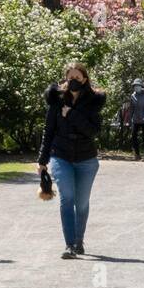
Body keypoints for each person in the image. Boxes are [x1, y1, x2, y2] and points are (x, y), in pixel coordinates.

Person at [38, 63, 104, 259]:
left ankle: (79, 240)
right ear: (65, 79)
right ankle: (70, 245)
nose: (74, 80)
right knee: (67, 199)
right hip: (61, 156)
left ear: (85, 79)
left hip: (87, 159)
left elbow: (93, 131)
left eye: (78, 77)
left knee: (81, 203)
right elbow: (48, 132)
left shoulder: (93, 102)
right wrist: (42, 161)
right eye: (70, 77)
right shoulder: (56, 101)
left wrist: (72, 114)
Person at [129, 77, 144, 162]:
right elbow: (131, 108)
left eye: (137, 85)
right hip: (135, 119)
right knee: (134, 136)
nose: (136, 87)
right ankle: (137, 155)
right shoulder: (133, 95)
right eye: (135, 86)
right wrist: (130, 119)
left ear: (141, 86)